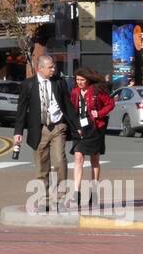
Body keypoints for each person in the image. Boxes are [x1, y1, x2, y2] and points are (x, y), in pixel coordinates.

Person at [12, 55, 77, 211]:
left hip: (58, 127)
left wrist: (77, 126)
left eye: (54, 67)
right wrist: (18, 132)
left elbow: (67, 105)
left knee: (60, 160)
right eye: (50, 67)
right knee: (42, 165)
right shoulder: (28, 85)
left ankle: (61, 196)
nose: (54, 69)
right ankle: (44, 199)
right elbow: (21, 110)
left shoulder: (59, 82)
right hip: (39, 128)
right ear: (39, 68)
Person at [69, 68, 114, 209]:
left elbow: (110, 103)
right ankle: (76, 191)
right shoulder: (75, 92)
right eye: (77, 80)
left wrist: (99, 113)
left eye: (82, 80)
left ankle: (94, 191)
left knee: (95, 159)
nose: (80, 83)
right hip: (79, 127)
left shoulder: (96, 90)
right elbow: (71, 108)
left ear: (88, 79)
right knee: (78, 157)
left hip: (95, 127)